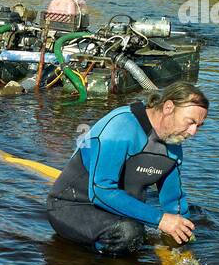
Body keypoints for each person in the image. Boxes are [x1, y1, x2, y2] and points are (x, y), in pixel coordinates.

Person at [46, 81, 209, 255]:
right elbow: (101, 191)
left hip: (120, 214)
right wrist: (159, 220)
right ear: (168, 107)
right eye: (190, 122)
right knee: (128, 233)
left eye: (198, 126)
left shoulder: (173, 144)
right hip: (72, 207)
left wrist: (183, 234)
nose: (193, 132)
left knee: (144, 233)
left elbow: (173, 201)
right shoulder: (121, 127)